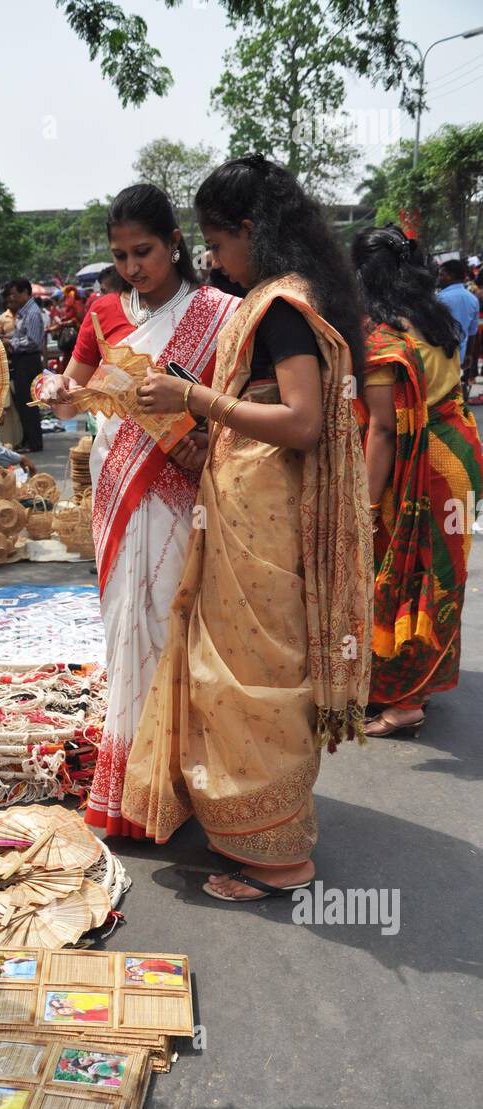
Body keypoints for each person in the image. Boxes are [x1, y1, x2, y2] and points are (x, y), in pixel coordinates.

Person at [117, 156, 373, 901]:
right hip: (243, 511)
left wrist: (195, 399)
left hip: (263, 524)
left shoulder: (281, 307)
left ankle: (280, 857)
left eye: (216, 242)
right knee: (232, 676)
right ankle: (252, 831)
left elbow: (297, 421)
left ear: (249, 232)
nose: (213, 259)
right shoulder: (272, 299)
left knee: (255, 681)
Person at [43, 184, 239, 834]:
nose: (132, 267)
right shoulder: (102, 311)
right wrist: (52, 391)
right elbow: (74, 394)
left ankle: (181, 784)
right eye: (121, 255)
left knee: (174, 633)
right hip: (118, 496)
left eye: (144, 251)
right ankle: (132, 784)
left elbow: (233, 413)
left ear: (175, 242)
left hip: (184, 499)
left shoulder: (219, 313)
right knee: (126, 631)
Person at [353, 225, 483, 736]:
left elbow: (384, 429)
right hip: (460, 452)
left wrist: (363, 505)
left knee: (400, 567)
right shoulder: (435, 314)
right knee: (441, 573)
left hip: (420, 463)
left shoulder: (381, 335)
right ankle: (420, 681)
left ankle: (404, 699)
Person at [7, 277, 45, 455]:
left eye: (15, 294)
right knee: (23, 402)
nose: (13, 298)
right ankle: (27, 439)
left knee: (29, 403)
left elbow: (32, 341)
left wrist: (11, 343)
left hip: (28, 360)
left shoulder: (32, 313)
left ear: (24, 293)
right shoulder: (24, 311)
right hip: (22, 359)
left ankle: (34, 442)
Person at [436, 260, 480, 403]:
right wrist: (469, 354)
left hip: (439, 356)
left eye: (441, 274)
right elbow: (472, 332)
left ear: (449, 276)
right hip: (459, 356)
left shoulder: (439, 299)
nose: (439, 278)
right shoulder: (473, 300)